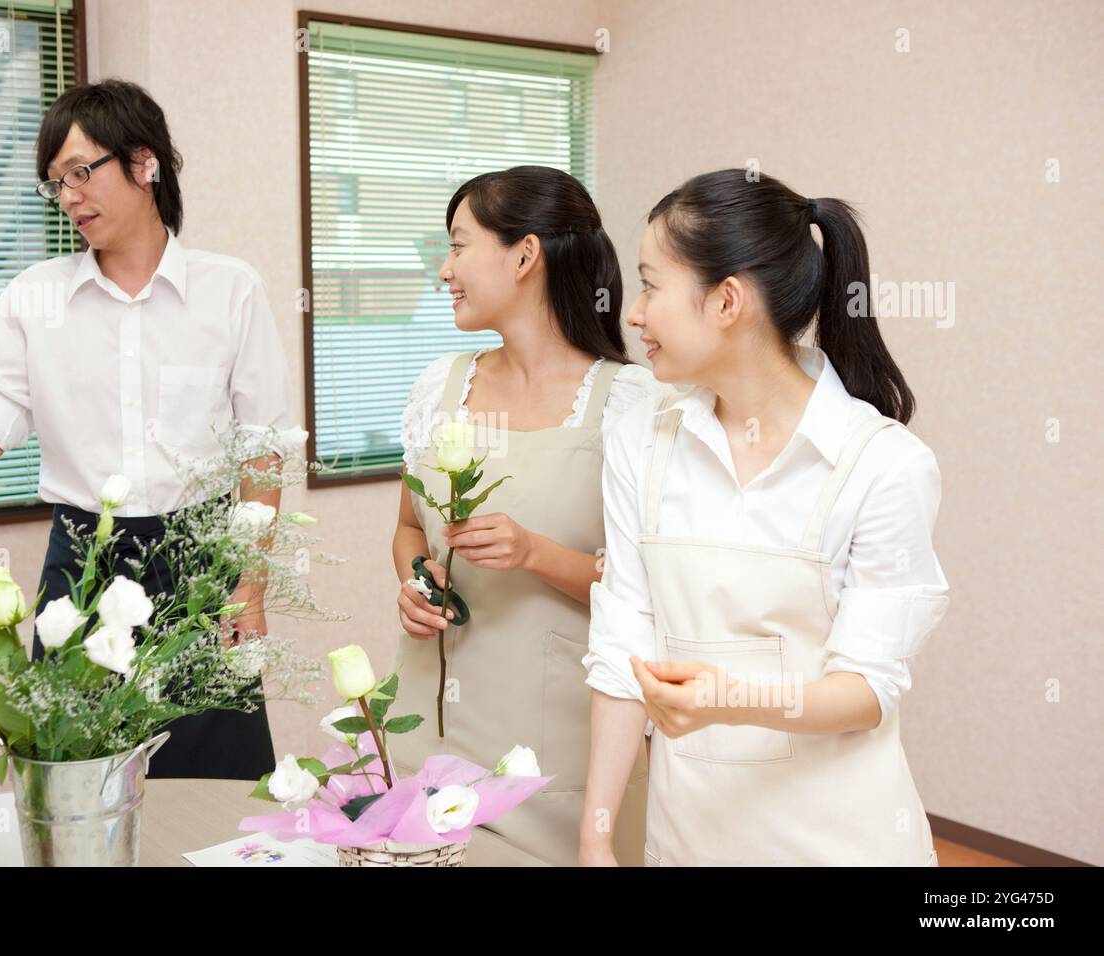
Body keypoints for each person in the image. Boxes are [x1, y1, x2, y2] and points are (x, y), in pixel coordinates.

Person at [0, 80, 298, 780]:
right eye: (55, 182)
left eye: (81, 172)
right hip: (84, 567)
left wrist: (248, 585)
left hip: (200, 570)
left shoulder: (231, 290)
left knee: (214, 780)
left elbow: (263, 448)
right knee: (76, 780)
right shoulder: (32, 299)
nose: (68, 196)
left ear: (145, 163)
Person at [581, 168, 950, 866]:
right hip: (688, 838)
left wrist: (729, 699)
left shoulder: (882, 465)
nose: (634, 312)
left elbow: (867, 690)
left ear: (726, 301)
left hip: (842, 841)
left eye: (652, 285)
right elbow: (620, 647)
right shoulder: (639, 440)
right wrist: (597, 836)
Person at [390, 165, 664, 866]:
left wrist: (535, 553)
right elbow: (410, 529)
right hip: (431, 713)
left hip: (557, 738)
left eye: (457, 247)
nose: (444, 270)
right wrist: (416, 582)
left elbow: (656, 593)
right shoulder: (439, 387)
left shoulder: (631, 405)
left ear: (524, 255)